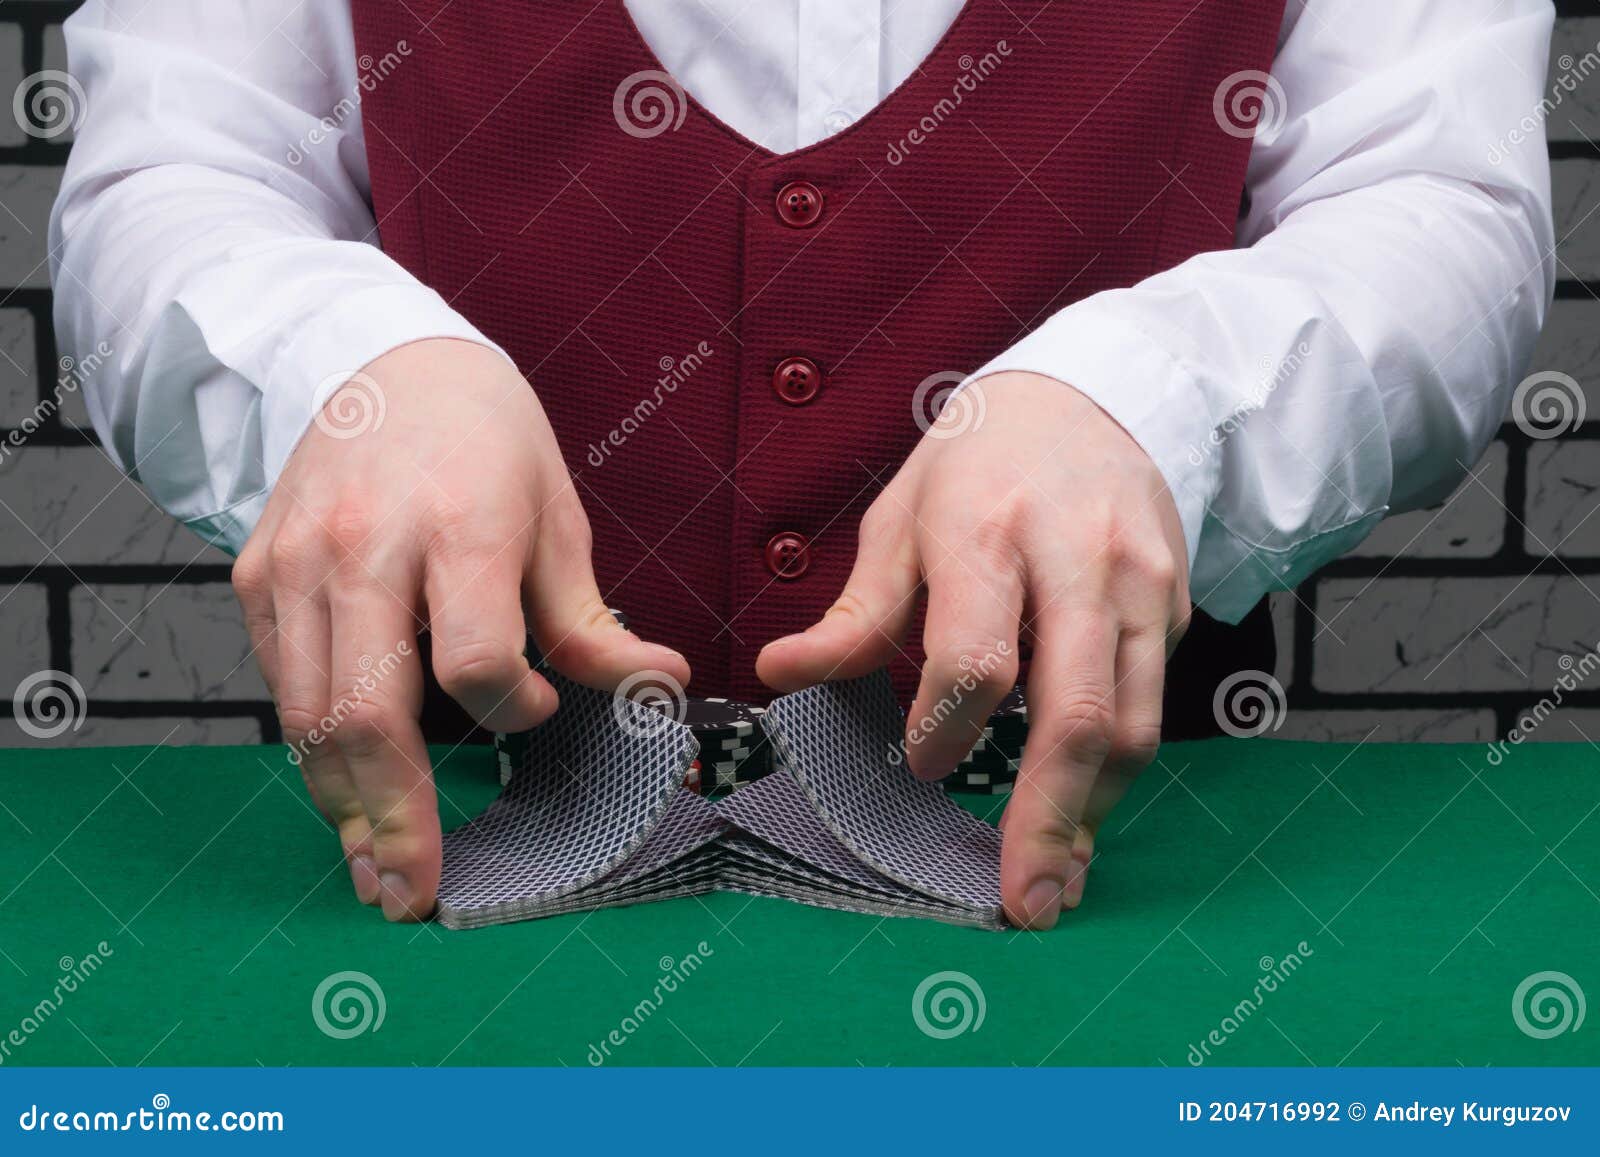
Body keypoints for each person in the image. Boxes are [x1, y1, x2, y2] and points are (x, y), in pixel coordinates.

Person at [50, 1, 1554, 929]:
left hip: (1137, 848)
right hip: (442, 803)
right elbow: (182, 167)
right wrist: (347, 367)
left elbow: (1435, 195)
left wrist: (1155, 394)